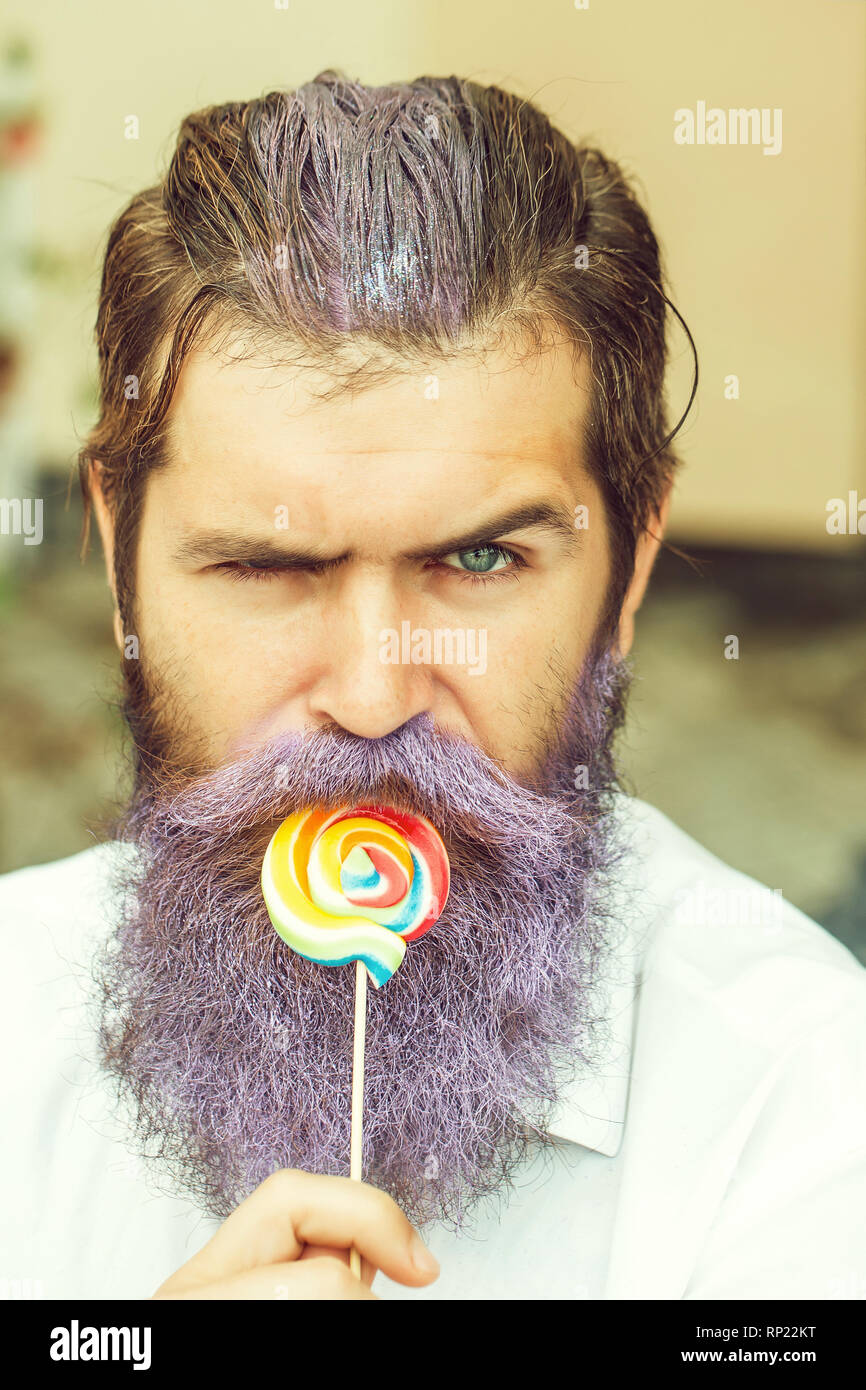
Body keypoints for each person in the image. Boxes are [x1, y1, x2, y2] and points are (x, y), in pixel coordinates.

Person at [2, 70, 864, 1302]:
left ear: (628, 566)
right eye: (263, 562)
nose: (370, 695)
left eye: (477, 559)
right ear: (119, 554)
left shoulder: (809, 1112)